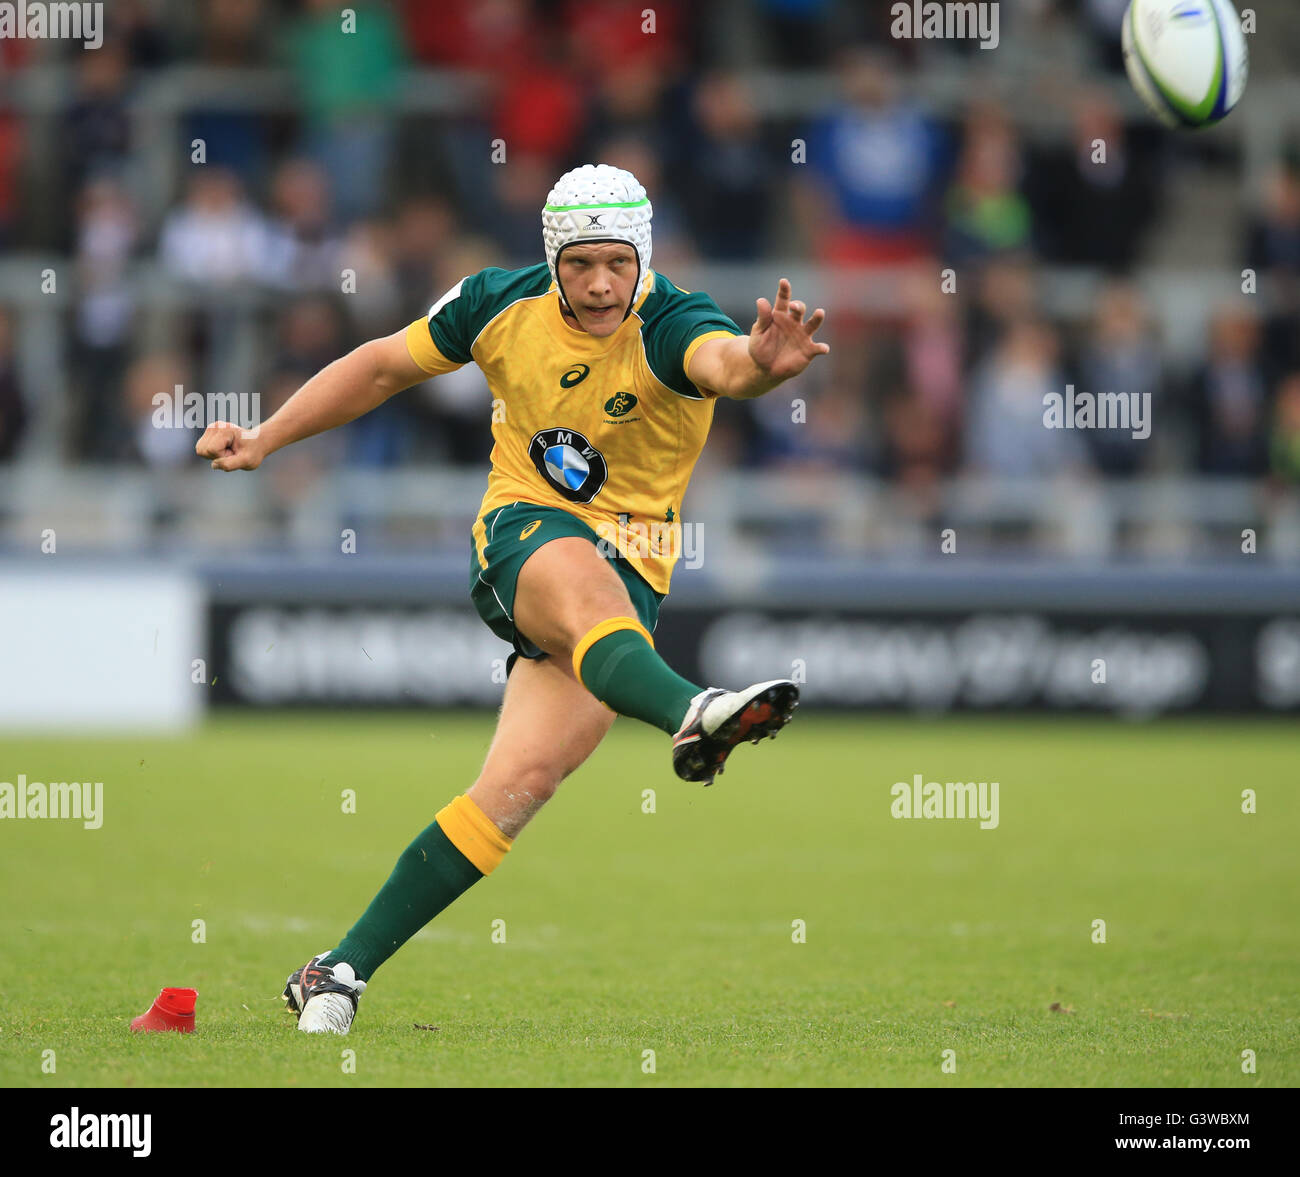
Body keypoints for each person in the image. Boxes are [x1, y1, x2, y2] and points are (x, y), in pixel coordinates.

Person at [195, 164, 830, 1034]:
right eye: (579, 263)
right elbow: (380, 368)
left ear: (642, 258)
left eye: (616, 261)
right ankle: (696, 709)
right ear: (551, 258)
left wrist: (762, 364)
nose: (600, 282)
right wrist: (265, 437)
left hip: (629, 585)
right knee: (577, 572)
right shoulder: (496, 303)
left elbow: (724, 365)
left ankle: (336, 972)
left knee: (515, 786)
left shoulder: (678, 318)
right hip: (521, 538)